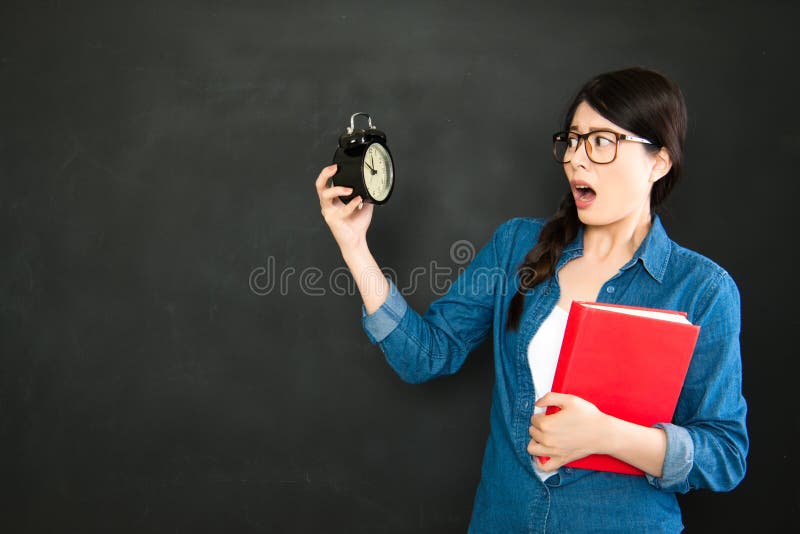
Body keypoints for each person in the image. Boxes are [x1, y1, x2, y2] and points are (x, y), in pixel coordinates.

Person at [314, 66, 747, 533]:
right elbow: (426, 356)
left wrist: (608, 435)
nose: (577, 160)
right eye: (573, 140)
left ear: (658, 161)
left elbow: (724, 455)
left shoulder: (702, 288)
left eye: (601, 142)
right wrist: (354, 245)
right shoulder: (516, 247)